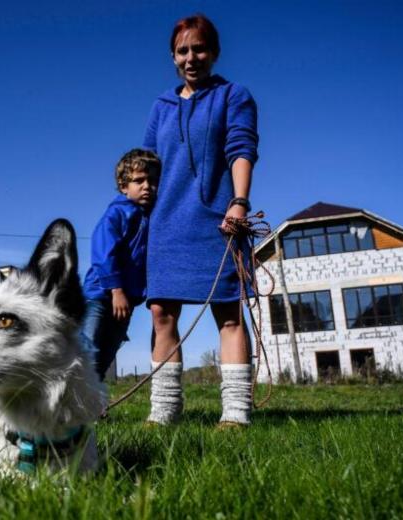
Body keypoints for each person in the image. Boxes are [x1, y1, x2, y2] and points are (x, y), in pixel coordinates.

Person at [143, 14, 259, 426]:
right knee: (161, 314)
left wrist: (239, 202)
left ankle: (235, 413)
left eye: (199, 49)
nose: (191, 58)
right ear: (173, 56)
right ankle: (164, 412)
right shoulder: (161, 106)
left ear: (214, 52)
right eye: (182, 51)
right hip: (165, 223)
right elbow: (147, 165)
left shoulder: (233, 96)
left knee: (229, 314)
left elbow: (241, 148)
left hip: (217, 220)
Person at [82, 149, 161, 380]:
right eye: (139, 181)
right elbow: (103, 253)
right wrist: (116, 289)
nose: (147, 186)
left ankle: (94, 403)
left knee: (109, 350)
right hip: (101, 295)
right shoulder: (116, 214)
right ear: (123, 186)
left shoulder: (150, 216)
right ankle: (67, 404)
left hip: (127, 300)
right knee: (87, 348)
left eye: (153, 181)